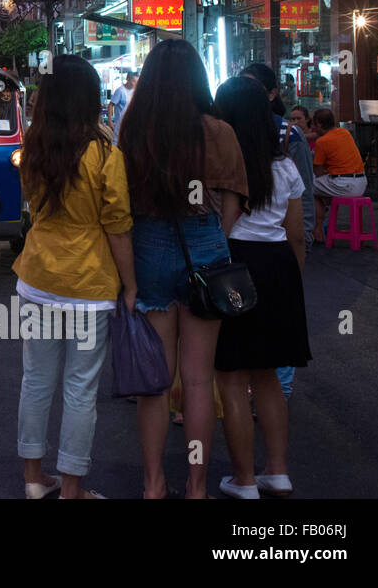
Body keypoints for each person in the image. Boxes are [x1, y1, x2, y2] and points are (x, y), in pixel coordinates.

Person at [117, 39, 248, 500]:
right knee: (197, 381)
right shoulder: (219, 131)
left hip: (148, 246)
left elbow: (122, 207)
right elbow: (232, 201)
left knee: (155, 382)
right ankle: (195, 487)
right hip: (206, 248)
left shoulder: (133, 130)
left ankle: (153, 485)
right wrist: (212, 238)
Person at [14, 56, 135, 500]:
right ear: (89, 100)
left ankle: (32, 478)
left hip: (37, 277)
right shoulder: (105, 154)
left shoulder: (33, 147)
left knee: (36, 380)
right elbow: (118, 224)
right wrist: (131, 285)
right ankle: (71, 489)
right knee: (80, 390)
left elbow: (31, 207)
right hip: (89, 284)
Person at [212, 76, 310, 499]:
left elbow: (222, 231)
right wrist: (293, 281)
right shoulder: (285, 166)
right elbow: (297, 236)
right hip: (278, 268)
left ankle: (244, 480)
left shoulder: (225, 169)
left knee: (232, 379)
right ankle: (279, 472)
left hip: (237, 268)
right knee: (268, 376)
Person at [240, 63, 313, 401]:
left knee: (242, 341)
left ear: (272, 95)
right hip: (275, 253)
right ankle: (276, 395)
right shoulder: (229, 131)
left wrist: (305, 242)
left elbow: (302, 199)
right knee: (274, 332)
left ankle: (259, 395)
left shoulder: (285, 135)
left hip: (248, 251)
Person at [310, 107, 367, 242]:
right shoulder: (344, 133)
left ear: (318, 124)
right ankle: (324, 214)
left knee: (307, 185)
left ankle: (317, 229)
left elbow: (317, 171)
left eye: (314, 124)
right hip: (361, 182)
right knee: (322, 186)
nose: (312, 128)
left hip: (344, 184)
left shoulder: (321, 142)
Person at [109, 70, 137, 142]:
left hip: (130, 124)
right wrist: (110, 121)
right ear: (127, 79)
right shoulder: (120, 91)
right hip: (119, 124)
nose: (135, 83)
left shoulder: (135, 91)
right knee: (117, 143)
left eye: (137, 81)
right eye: (133, 81)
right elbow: (111, 105)